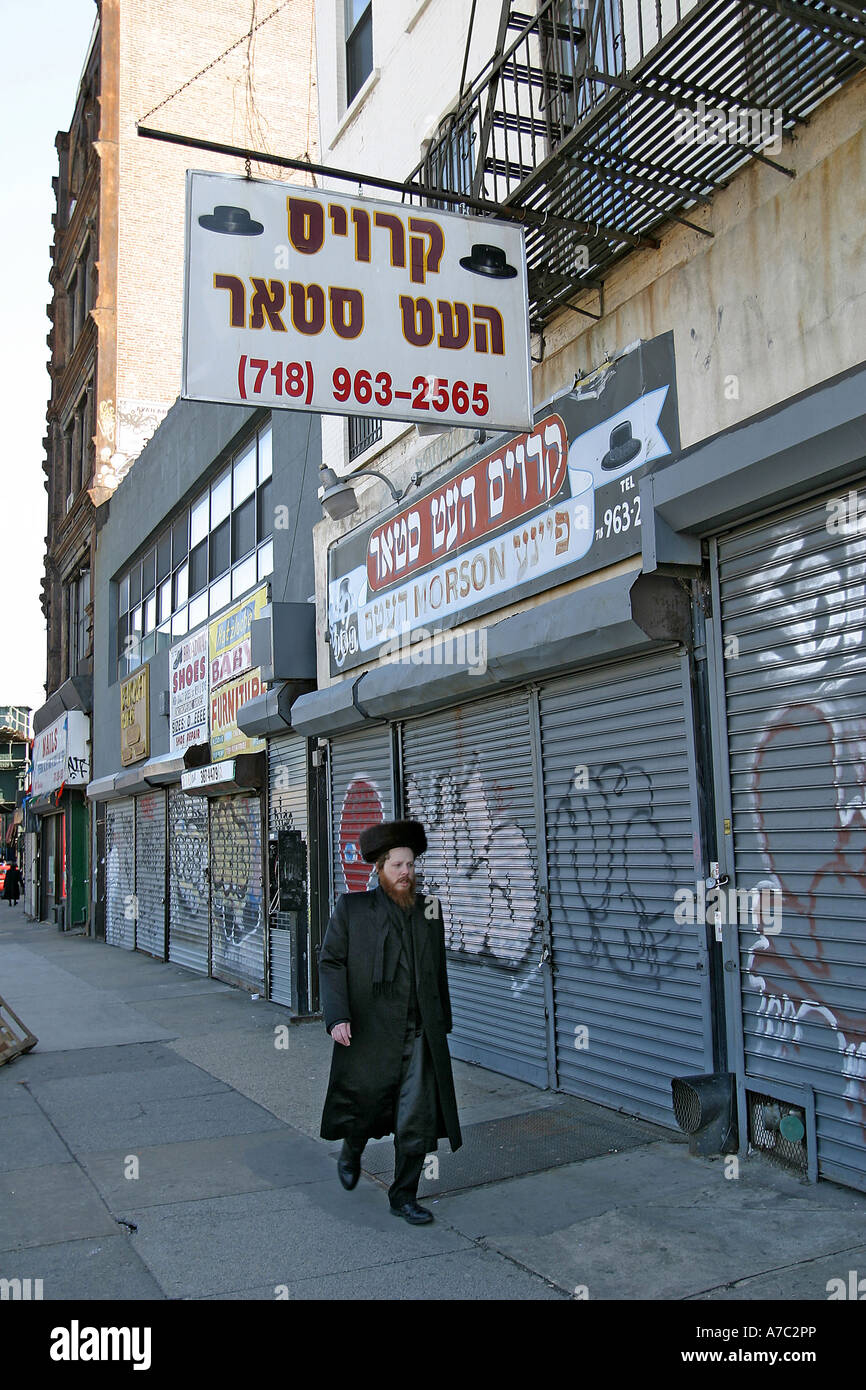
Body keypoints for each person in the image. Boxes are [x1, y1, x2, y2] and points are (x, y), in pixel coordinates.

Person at [318, 819, 462, 1225]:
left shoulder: (429, 909)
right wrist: (337, 1016)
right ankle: (352, 1147)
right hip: (370, 1030)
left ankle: (404, 1197)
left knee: (416, 1118)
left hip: (418, 1035)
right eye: (397, 865)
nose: (406, 873)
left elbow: (437, 970)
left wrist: (441, 1023)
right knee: (365, 1105)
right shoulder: (353, 908)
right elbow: (331, 962)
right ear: (379, 869)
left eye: (411, 865)